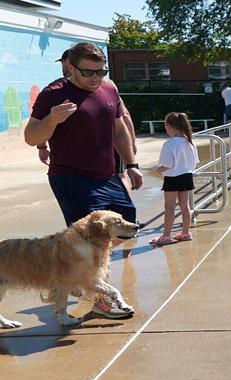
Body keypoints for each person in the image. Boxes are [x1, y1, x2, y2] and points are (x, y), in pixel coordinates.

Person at [24, 42, 142, 318]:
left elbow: (119, 128)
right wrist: (51, 120)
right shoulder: (53, 94)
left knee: (126, 226)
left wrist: (132, 163)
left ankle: (76, 277)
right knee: (92, 241)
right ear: (71, 68)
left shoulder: (109, 88)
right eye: (88, 73)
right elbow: (32, 137)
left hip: (106, 175)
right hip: (71, 177)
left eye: (101, 72)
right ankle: (100, 300)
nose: (95, 79)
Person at [151, 112, 199, 246]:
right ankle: (185, 232)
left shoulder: (169, 144)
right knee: (185, 206)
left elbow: (167, 165)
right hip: (187, 176)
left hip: (173, 178)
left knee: (170, 207)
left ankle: (166, 235)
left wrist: (158, 170)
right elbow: (195, 161)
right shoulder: (190, 142)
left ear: (169, 126)